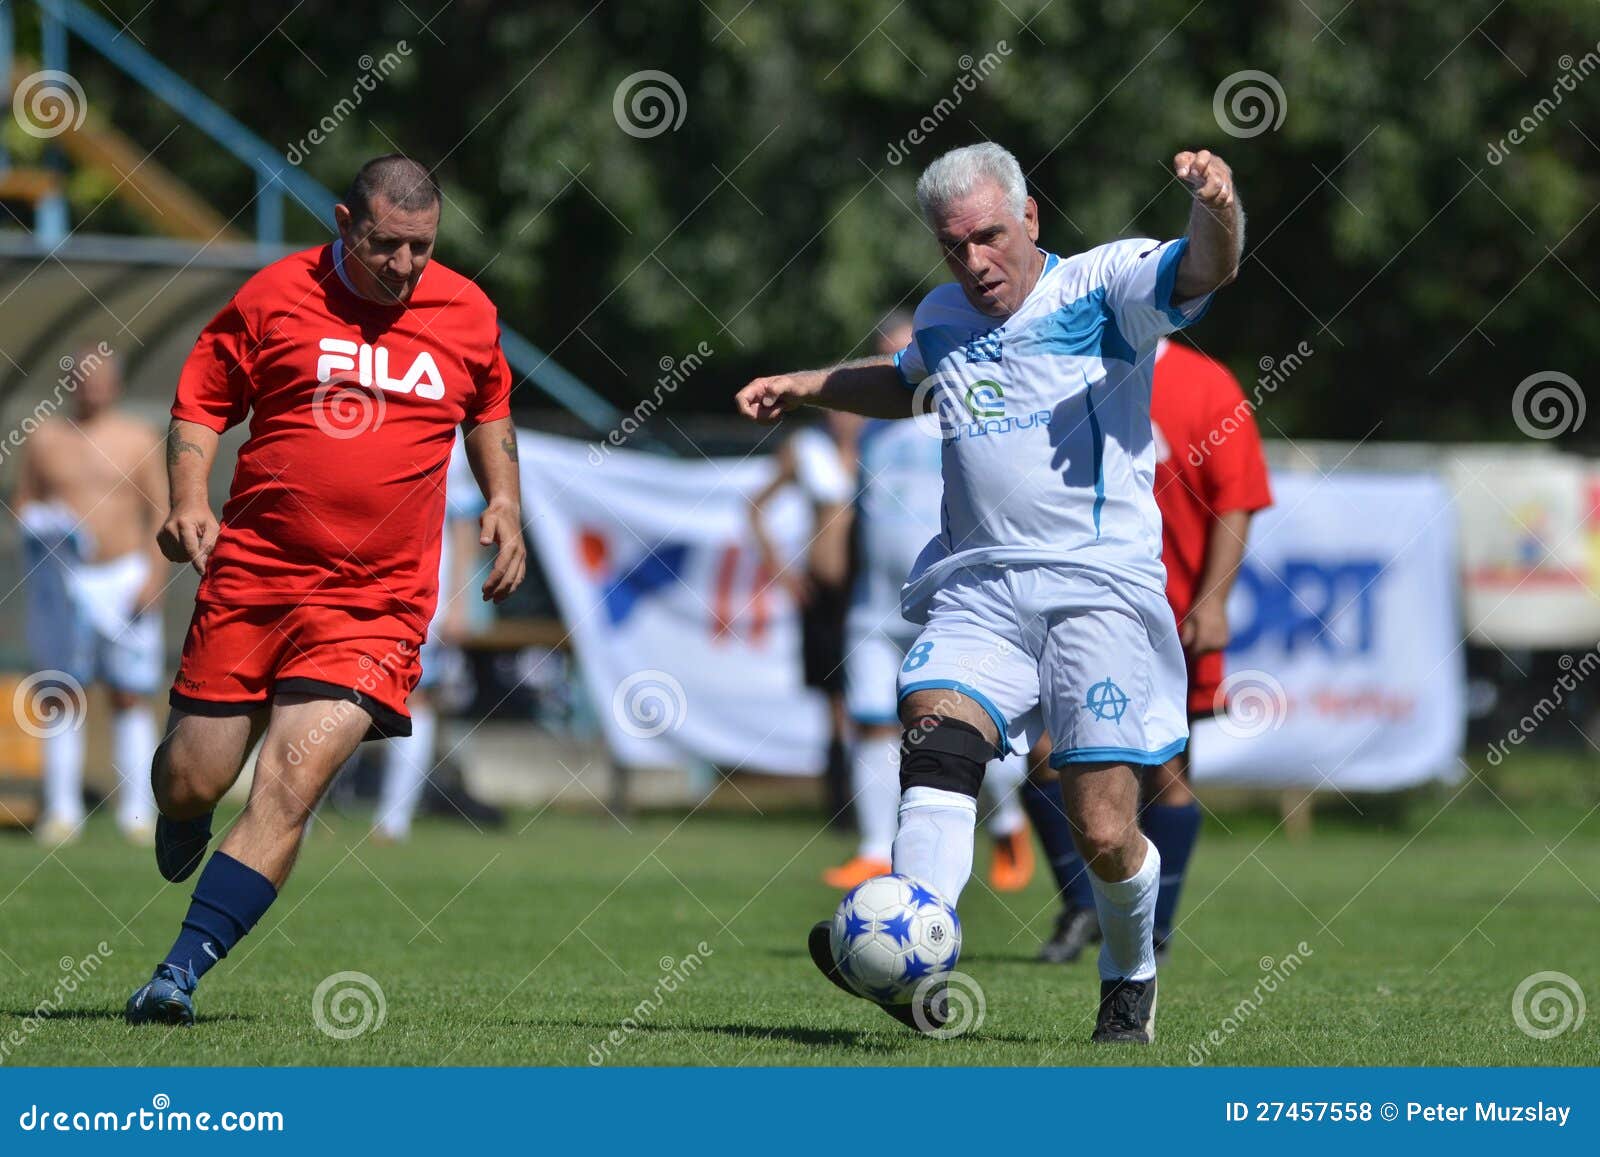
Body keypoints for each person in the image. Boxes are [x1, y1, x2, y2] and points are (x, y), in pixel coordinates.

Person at [736, 141, 1243, 1043]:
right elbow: (905, 384)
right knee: (933, 732)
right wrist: (806, 386)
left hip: (1097, 590)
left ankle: (1129, 973)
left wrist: (1218, 204)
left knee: (1103, 828)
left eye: (988, 237)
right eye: (952, 245)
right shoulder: (942, 316)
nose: (972, 261)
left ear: (1030, 216)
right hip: (980, 585)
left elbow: (1209, 266)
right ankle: (917, 960)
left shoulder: (1103, 287)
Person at [124, 155, 526, 1026]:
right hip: (255, 575)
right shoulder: (274, 295)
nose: (404, 266)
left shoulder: (467, 311)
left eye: (422, 248)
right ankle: (181, 809)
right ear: (345, 223)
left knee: (291, 782)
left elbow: (490, 405)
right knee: (193, 778)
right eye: (385, 245)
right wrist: (188, 499)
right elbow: (202, 402)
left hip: (375, 605)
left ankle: (176, 975)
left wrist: (504, 499)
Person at [1027, 336, 1271, 964]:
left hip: (1171, 613)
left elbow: (1236, 500)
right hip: (1076, 603)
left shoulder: (1206, 384)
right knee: (1046, 754)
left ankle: (1151, 929)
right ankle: (1083, 905)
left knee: (1166, 771)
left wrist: (1214, 601)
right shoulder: (1063, 368)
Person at [825, 310, 1031, 892]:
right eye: (888, 355)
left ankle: (1008, 824)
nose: (900, 367)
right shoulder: (870, 433)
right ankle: (873, 849)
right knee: (870, 724)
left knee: (962, 725)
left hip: (949, 601)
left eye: (907, 352)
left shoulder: (966, 417)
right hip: (874, 604)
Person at [14, 347, 164, 845]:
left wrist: (154, 577)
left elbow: (160, 512)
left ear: (115, 384)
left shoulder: (138, 438)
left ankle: (137, 813)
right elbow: (24, 503)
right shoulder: (45, 438)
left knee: (129, 692)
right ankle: (61, 811)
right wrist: (42, 527)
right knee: (61, 692)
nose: (91, 386)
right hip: (66, 582)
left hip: (124, 577)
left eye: (100, 378)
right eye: (82, 377)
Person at [747, 409, 858, 822]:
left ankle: (887, 803)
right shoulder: (807, 449)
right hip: (823, 593)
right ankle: (842, 806)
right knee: (835, 702)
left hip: (869, 591)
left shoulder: (882, 447)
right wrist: (781, 572)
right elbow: (755, 507)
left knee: (880, 698)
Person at [373, 434, 484, 842]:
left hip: (423, 590)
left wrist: (459, 601)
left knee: (414, 697)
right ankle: (301, 816)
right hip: (364, 583)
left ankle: (393, 821)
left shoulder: (448, 435)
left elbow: (463, 522)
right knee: (336, 695)